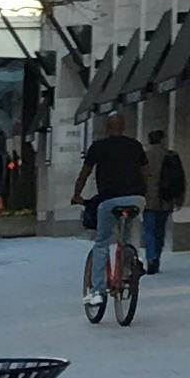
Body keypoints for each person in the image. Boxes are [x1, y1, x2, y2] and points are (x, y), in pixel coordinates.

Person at [69, 117, 148, 291]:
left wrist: (76, 194)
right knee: (132, 230)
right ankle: (133, 262)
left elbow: (84, 174)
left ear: (106, 129)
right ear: (124, 127)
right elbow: (145, 172)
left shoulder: (98, 147)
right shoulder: (135, 145)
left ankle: (97, 291)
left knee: (102, 242)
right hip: (137, 198)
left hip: (110, 200)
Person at [143, 138, 186, 278]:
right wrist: (179, 199)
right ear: (162, 140)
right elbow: (180, 179)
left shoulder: (144, 156)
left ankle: (150, 258)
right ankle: (157, 257)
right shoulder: (171, 156)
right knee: (160, 231)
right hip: (166, 199)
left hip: (148, 200)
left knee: (148, 230)